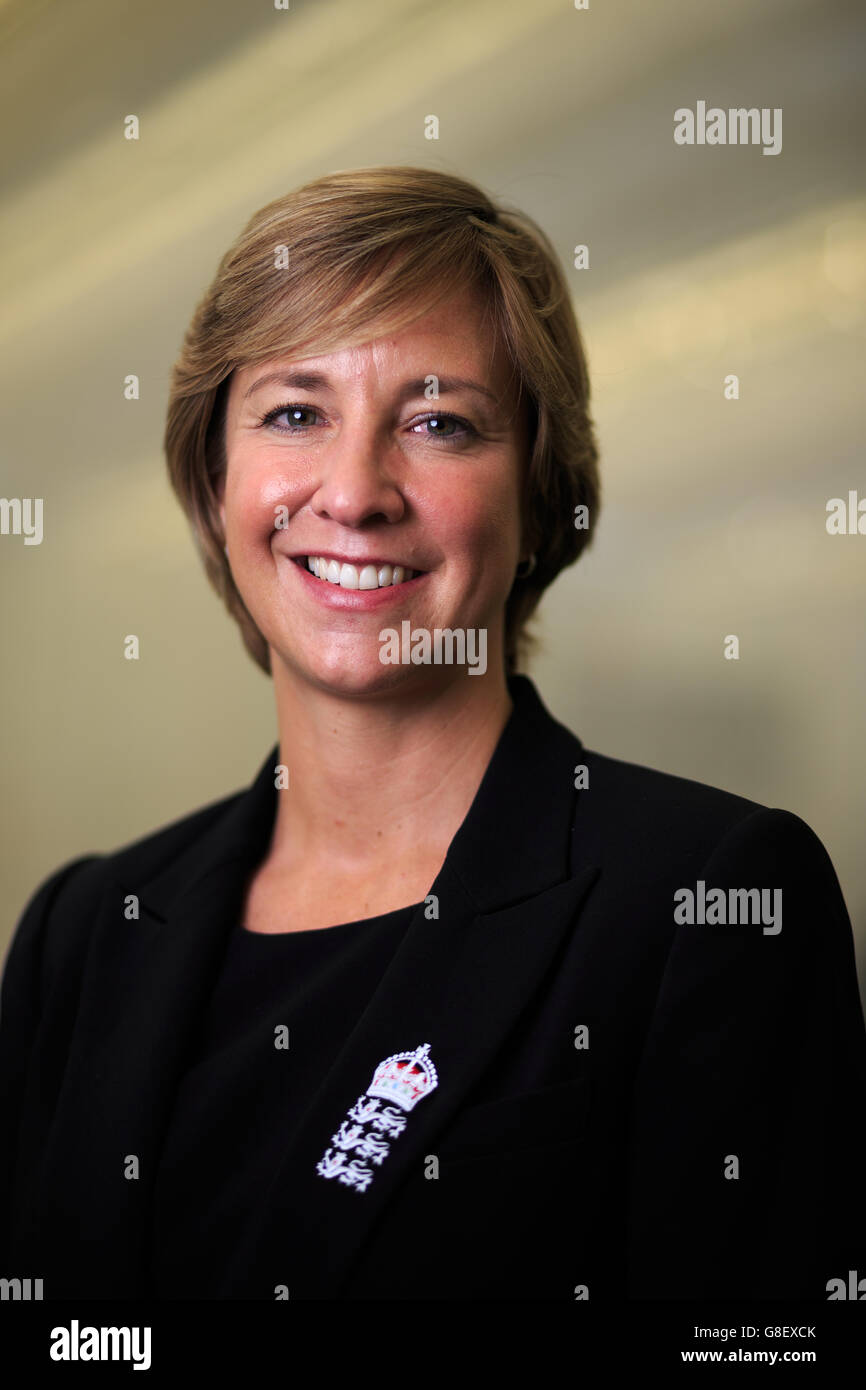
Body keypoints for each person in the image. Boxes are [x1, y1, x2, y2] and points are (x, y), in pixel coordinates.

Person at [1, 166, 864, 1302]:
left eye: (437, 422)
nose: (353, 492)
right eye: (295, 412)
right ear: (216, 480)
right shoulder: (86, 930)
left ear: (539, 496)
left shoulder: (706, 903)